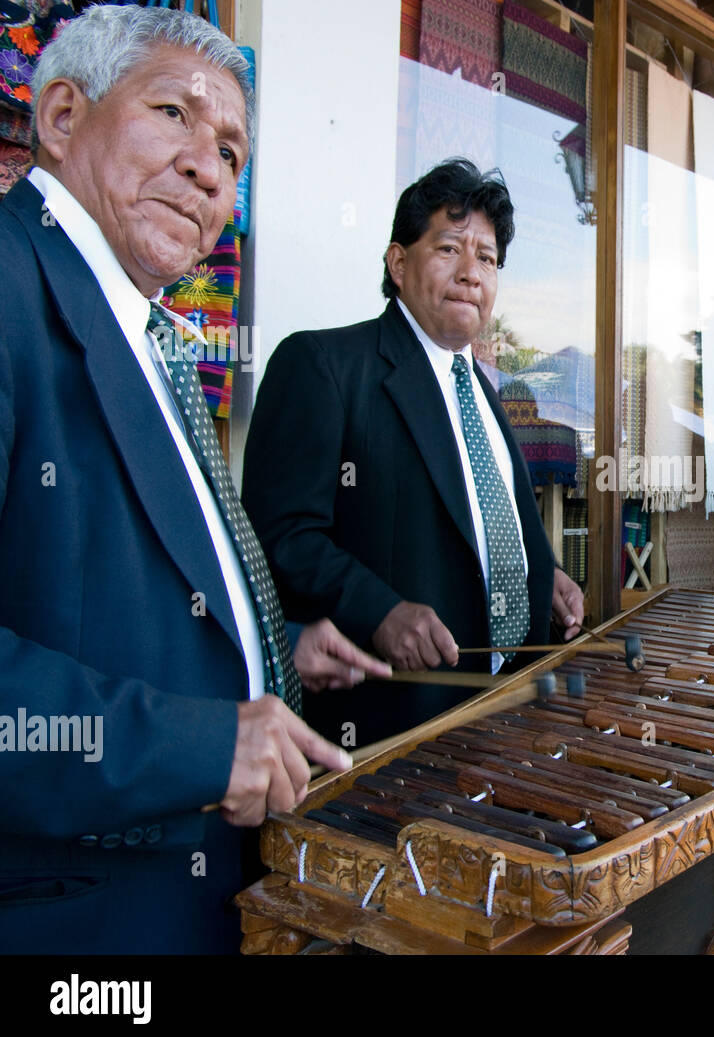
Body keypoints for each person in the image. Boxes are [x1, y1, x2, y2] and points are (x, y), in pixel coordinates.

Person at [0, 6, 385, 954]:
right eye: (173, 113)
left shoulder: (147, 331)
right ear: (60, 115)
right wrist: (202, 744)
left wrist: (269, 647)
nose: (208, 169)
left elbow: (104, 589)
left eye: (231, 152)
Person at [243, 159, 585, 748]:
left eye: (487, 258)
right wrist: (379, 611)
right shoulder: (323, 366)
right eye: (449, 248)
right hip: (391, 726)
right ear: (398, 263)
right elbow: (280, 537)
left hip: (508, 709)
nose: (471, 273)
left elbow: (481, 513)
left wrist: (540, 571)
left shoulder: (481, 386)